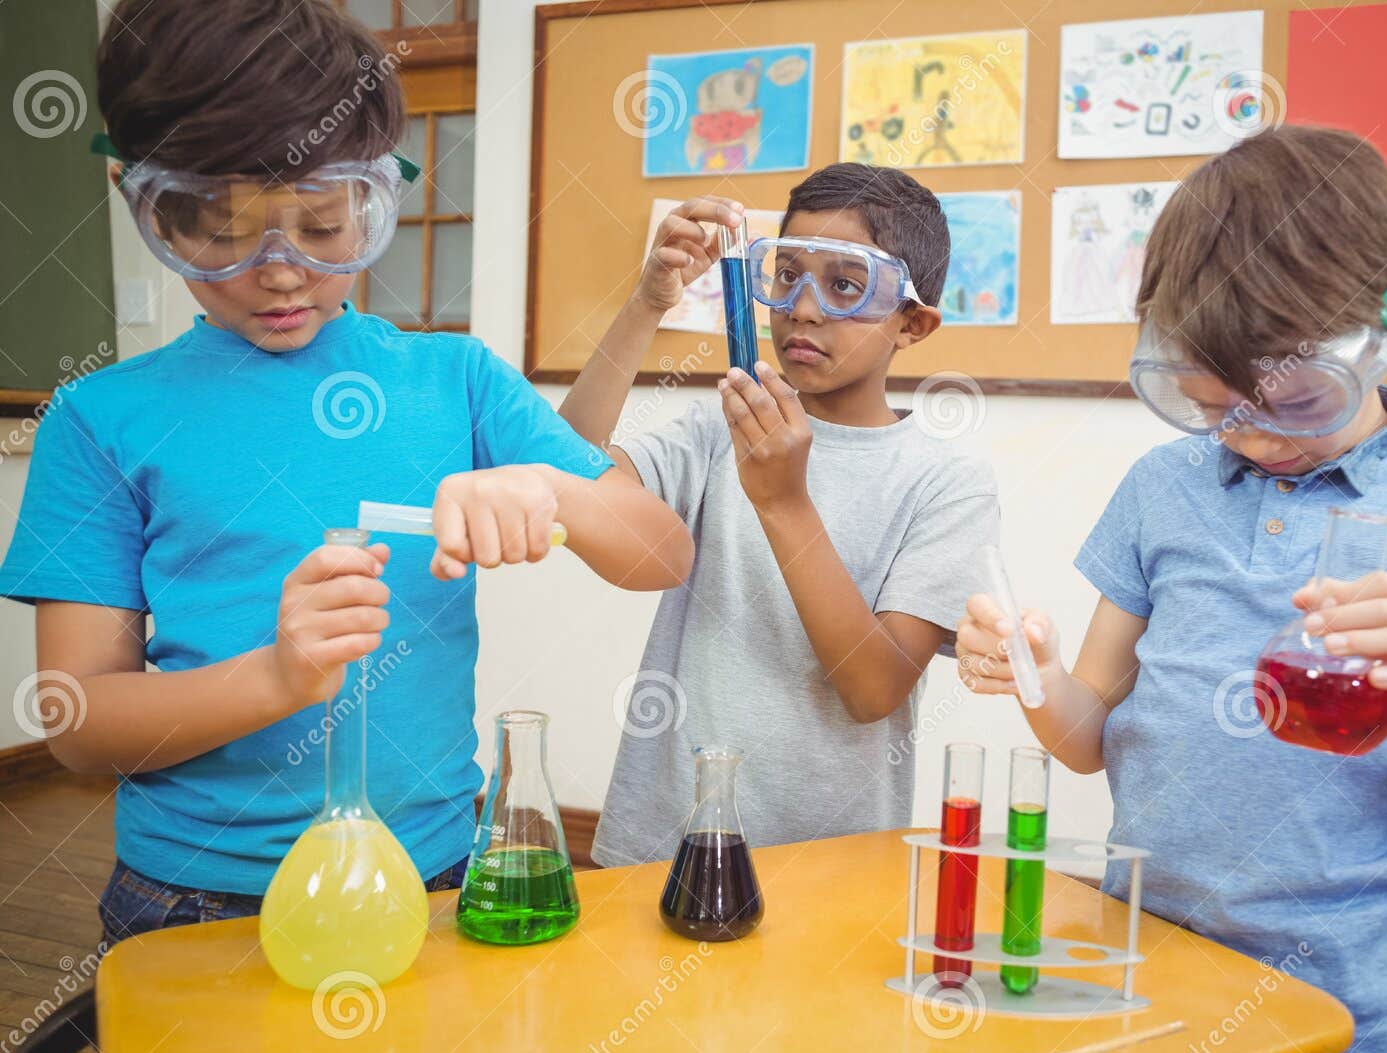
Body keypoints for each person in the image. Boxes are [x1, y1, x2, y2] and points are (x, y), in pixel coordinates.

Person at [0, 0, 692, 944]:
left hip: (435, 875)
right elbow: (77, 722)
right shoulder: (99, 419)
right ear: (143, 200)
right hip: (201, 899)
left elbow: (660, 552)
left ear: (375, 197)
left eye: (325, 227)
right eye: (222, 230)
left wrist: (555, 491)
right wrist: (279, 676)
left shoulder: (455, 379)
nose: (280, 272)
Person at [956, 125, 1387, 1053]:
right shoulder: (1163, 486)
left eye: (1297, 404)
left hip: (1344, 1012)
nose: (1250, 439)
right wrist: (1035, 674)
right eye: (1213, 409)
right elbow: (1085, 740)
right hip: (1146, 977)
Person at [559, 163, 1000, 866]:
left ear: (911, 322)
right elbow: (569, 471)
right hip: (660, 845)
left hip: (823, 870)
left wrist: (783, 502)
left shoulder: (947, 483)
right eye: (784, 272)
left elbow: (872, 688)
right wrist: (646, 303)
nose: (802, 306)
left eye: (845, 285)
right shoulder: (716, 434)